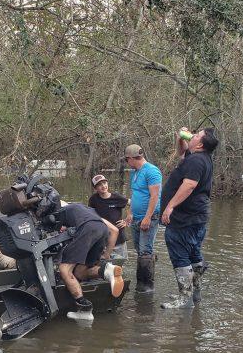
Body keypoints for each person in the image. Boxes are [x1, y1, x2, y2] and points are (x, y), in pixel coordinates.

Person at [159, 127, 219, 309]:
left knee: (180, 254)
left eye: (197, 135)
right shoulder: (200, 157)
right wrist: (180, 139)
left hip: (185, 219)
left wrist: (170, 206)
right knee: (193, 253)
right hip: (197, 217)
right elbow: (182, 152)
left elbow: (190, 185)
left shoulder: (196, 161)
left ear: (200, 144)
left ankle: (184, 299)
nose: (193, 135)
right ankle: (195, 293)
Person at [53, 202, 124, 321]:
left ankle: (85, 309)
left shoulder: (61, 212)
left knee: (64, 270)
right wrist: (106, 255)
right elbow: (115, 230)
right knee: (80, 272)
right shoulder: (88, 211)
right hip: (102, 230)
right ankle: (106, 271)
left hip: (87, 230)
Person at [125, 144, 163, 292]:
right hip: (135, 217)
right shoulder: (134, 172)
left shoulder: (152, 171)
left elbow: (155, 196)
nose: (127, 162)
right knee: (140, 250)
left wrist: (147, 217)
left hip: (149, 217)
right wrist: (130, 212)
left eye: (127, 160)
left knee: (145, 252)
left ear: (131, 158)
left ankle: (145, 288)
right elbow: (135, 193)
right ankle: (149, 268)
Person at [87, 174, 129, 260]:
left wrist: (127, 220)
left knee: (119, 265)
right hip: (102, 240)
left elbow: (132, 204)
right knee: (103, 265)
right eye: (99, 185)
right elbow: (90, 215)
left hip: (119, 240)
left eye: (104, 183)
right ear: (95, 188)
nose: (103, 186)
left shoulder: (117, 197)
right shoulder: (93, 200)